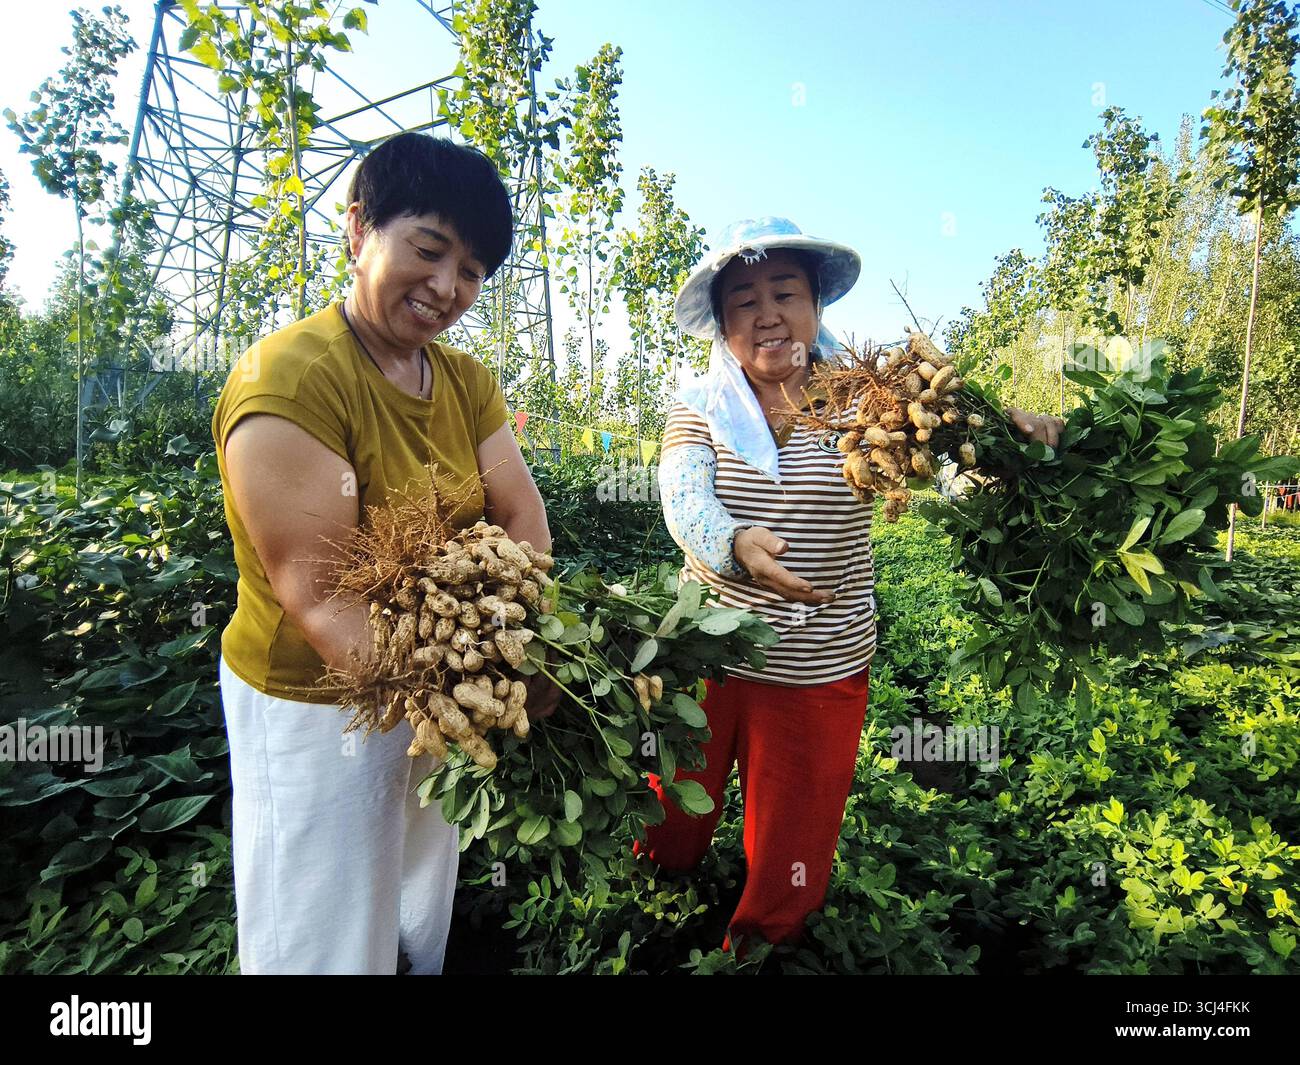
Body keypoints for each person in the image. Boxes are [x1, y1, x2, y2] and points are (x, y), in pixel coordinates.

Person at [639, 216, 1064, 952]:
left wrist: (1004, 444)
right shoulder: (699, 403)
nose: (767, 313)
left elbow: (954, 467)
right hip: (703, 652)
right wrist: (733, 542)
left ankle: (762, 945)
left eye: (785, 292)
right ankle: (659, 894)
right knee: (674, 804)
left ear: (816, 307)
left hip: (819, 661)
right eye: (743, 301)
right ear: (722, 323)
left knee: (794, 832)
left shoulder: (872, 400)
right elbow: (682, 493)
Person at [211, 132, 555, 975]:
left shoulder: (466, 381)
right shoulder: (290, 379)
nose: (446, 288)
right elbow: (326, 600)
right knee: (321, 907)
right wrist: (476, 697)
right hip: (321, 697)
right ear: (360, 228)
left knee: (412, 868)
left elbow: (521, 514)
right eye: (429, 249)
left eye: (471, 271)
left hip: (441, 673)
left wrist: (523, 646)